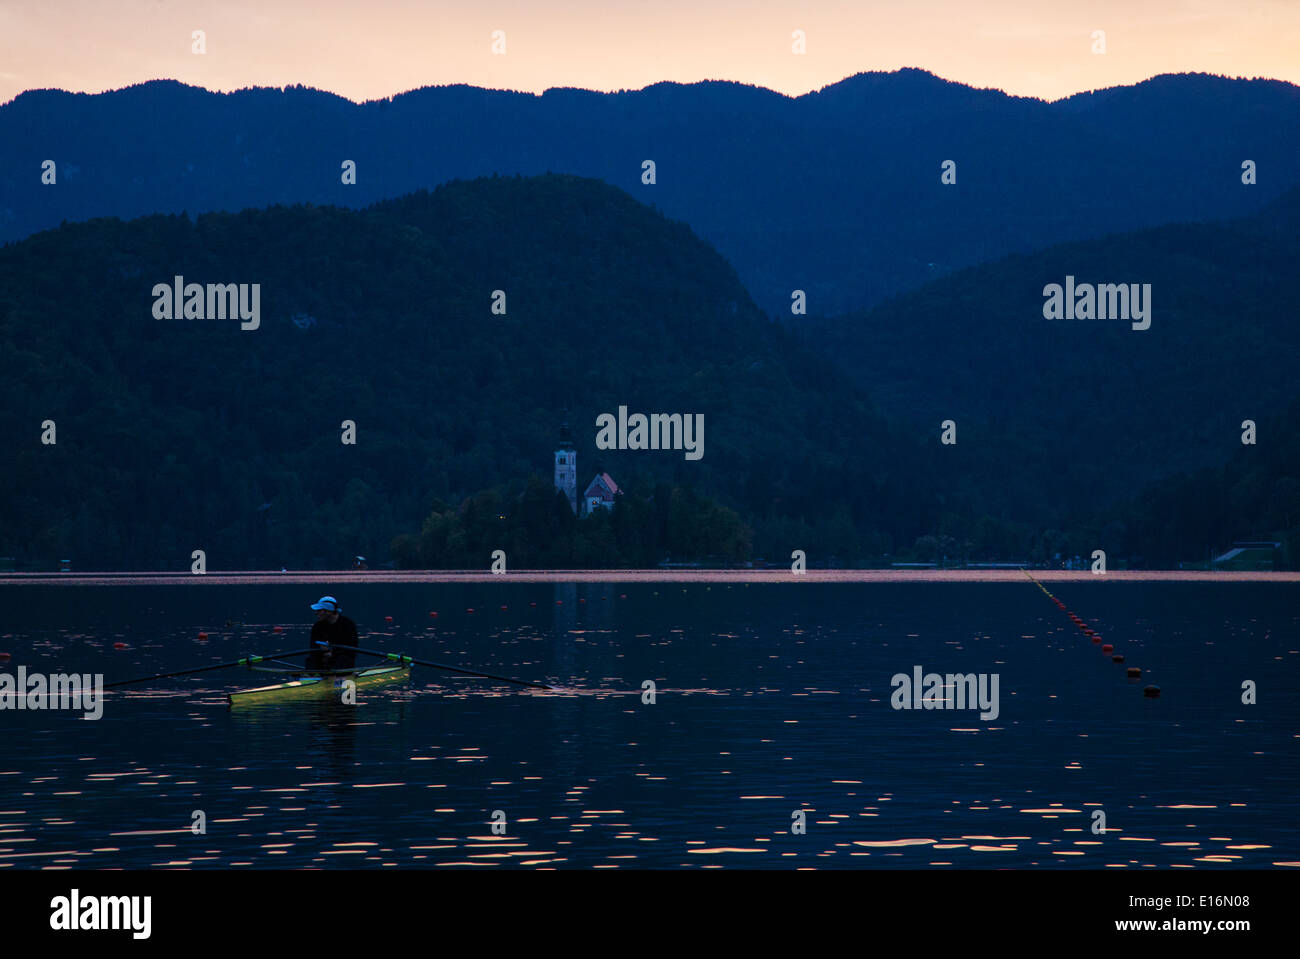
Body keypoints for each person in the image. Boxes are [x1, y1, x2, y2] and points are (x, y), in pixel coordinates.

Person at [306, 596, 358, 670]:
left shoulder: (348, 624)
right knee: (311, 658)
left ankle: (336, 676)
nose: (316, 613)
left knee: (343, 658)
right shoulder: (317, 626)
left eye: (319, 610)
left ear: (328, 611)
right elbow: (313, 647)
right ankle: (310, 677)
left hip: (342, 657)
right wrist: (324, 652)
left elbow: (352, 648)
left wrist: (332, 653)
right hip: (323, 656)